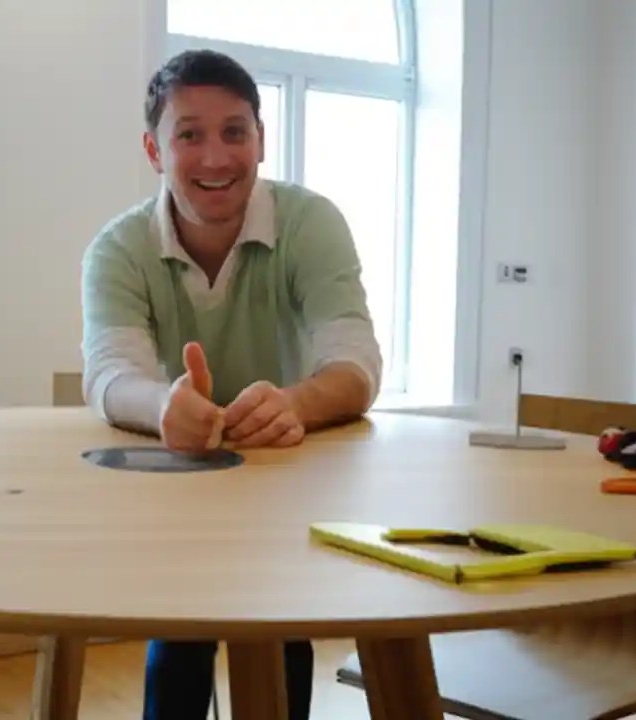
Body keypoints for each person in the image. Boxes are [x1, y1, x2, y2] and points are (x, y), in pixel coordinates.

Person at [79, 48, 382, 720]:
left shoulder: (314, 223)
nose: (215, 158)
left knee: (281, 631)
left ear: (261, 140)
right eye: (189, 134)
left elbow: (357, 364)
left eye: (234, 132)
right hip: (179, 481)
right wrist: (164, 407)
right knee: (180, 630)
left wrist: (296, 403)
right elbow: (107, 375)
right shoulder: (116, 248)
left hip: (289, 480)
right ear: (155, 150)